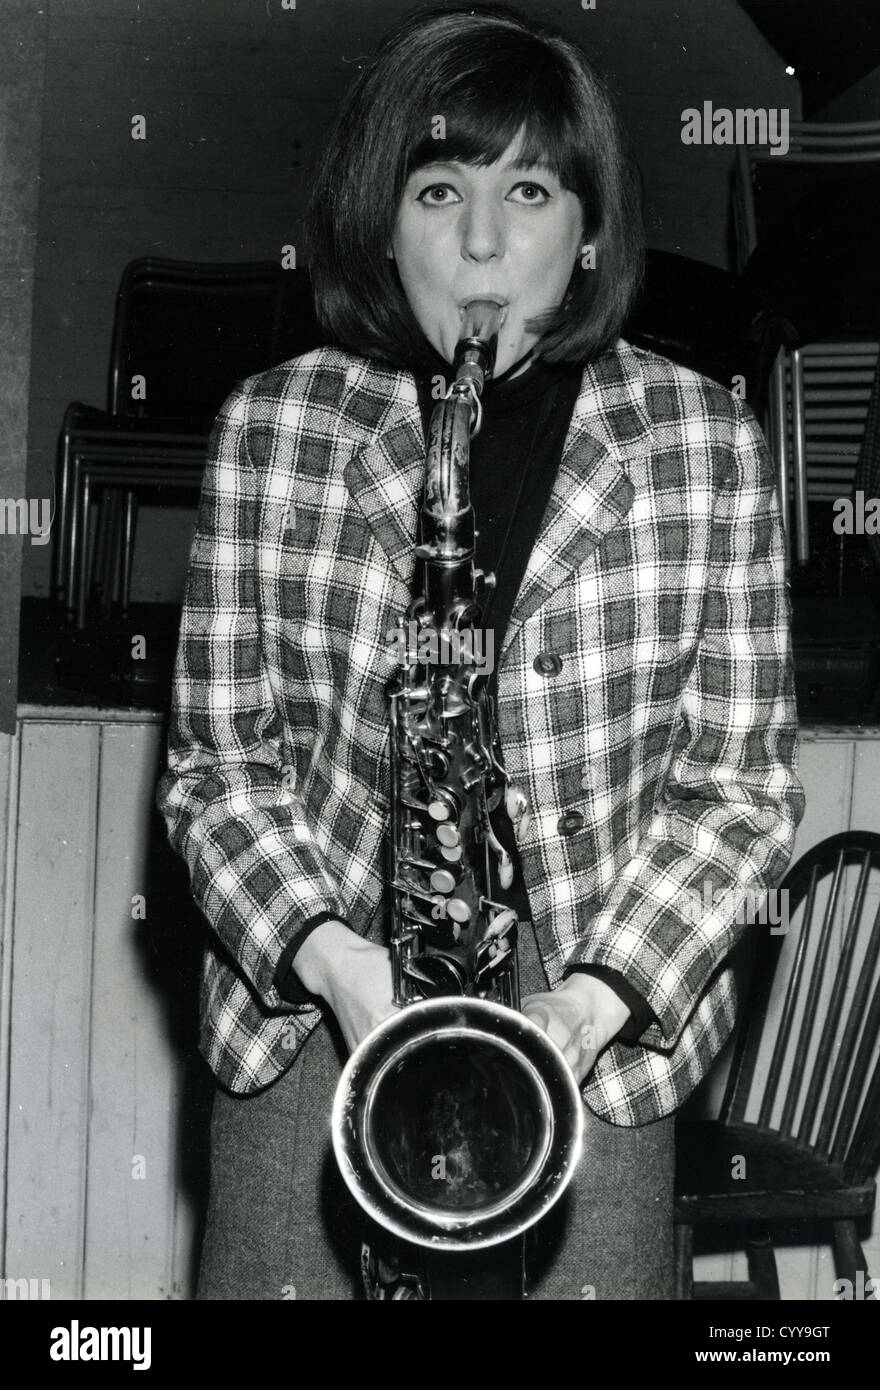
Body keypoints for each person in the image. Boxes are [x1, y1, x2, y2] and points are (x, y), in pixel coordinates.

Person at [156, 3, 804, 1301]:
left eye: (533, 190)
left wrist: (580, 1009)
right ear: (380, 222)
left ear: (592, 228)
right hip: (320, 1022)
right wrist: (343, 971)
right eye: (441, 189)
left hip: (588, 1043)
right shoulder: (270, 429)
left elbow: (739, 795)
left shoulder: (709, 450)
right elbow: (218, 770)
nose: (486, 246)